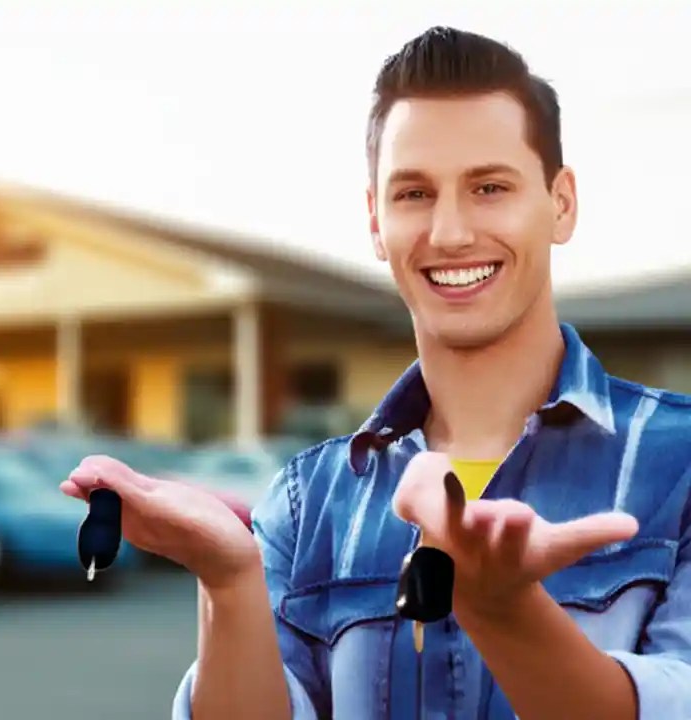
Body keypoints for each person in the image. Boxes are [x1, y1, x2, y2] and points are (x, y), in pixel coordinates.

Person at [61, 26, 691, 720]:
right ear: (374, 219)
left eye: (489, 186)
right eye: (414, 194)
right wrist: (229, 579)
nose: (450, 232)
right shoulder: (309, 503)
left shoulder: (680, 465)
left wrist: (505, 612)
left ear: (561, 203)